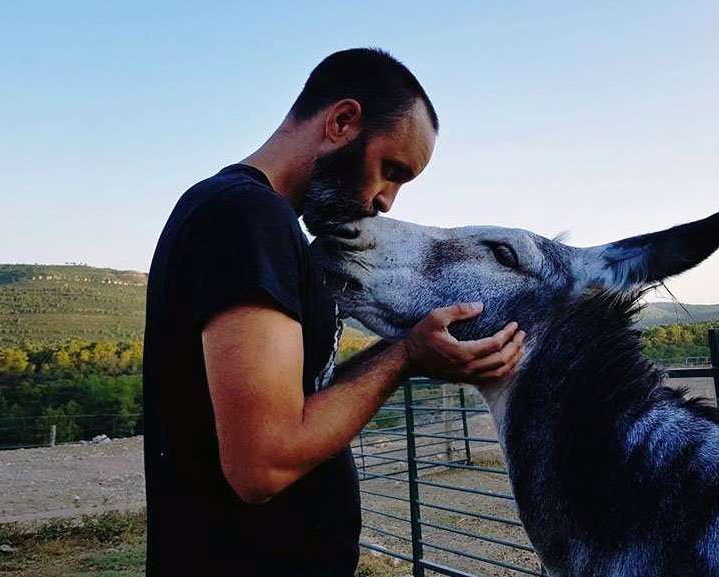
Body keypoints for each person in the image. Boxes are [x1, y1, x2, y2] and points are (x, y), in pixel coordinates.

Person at [142, 48, 526, 576]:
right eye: (391, 170)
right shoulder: (248, 218)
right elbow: (263, 463)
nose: (387, 200)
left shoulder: (248, 218)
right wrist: (405, 359)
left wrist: (406, 347)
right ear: (343, 121)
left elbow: (301, 401)